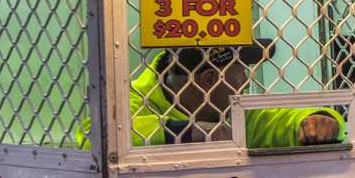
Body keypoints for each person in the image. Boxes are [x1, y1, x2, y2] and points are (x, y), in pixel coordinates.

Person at [131, 41, 343, 147]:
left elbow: (278, 121)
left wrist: (319, 119)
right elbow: (101, 135)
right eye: (241, 68)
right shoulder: (128, 98)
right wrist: (187, 133)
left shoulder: (235, 114)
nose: (247, 79)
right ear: (210, 80)